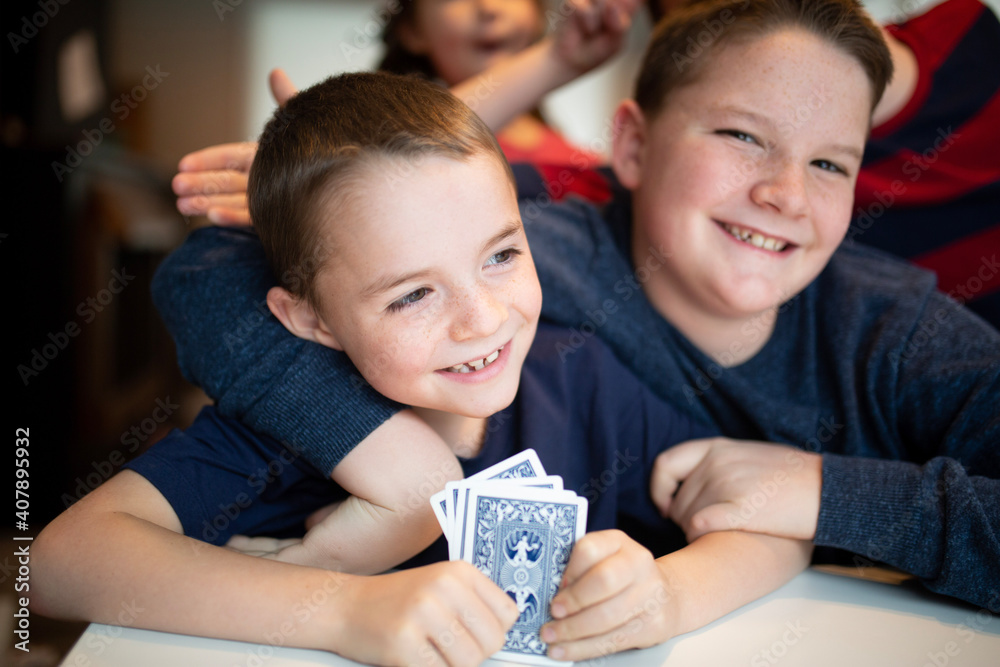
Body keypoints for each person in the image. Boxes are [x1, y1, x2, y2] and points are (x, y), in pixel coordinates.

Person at [156, 0, 1000, 610]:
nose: (784, 192)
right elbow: (211, 270)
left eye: (830, 164)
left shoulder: (902, 336)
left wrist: (824, 490)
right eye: (742, 136)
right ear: (630, 145)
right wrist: (400, 471)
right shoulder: (538, 254)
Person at [33, 71, 815, 665]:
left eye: (501, 255)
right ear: (310, 320)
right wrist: (345, 610)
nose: (483, 318)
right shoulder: (287, 428)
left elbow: (773, 524)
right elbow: (57, 565)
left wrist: (669, 594)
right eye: (412, 295)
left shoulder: (584, 381)